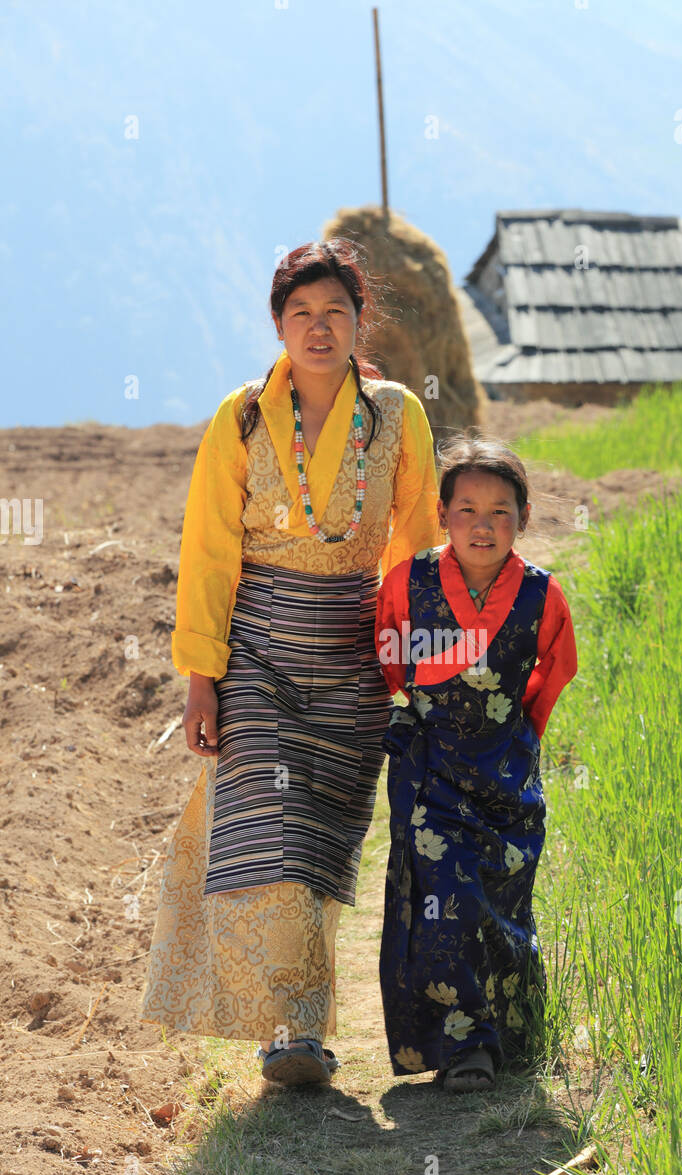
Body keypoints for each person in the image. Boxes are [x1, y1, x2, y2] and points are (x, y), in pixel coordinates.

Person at [139, 238, 442, 1087]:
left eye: (335, 312)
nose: (318, 328)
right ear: (278, 325)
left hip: (355, 658)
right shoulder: (239, 418)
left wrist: (418, 656)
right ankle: (292, 1033)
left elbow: (417, 547)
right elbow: (209, 552)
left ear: (358, 322)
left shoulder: (396, 416)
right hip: (260, 655)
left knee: (318, 846)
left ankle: (299, 1024)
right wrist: (203, 678)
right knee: (268, 837)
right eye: (301, 313)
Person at [375, 438, 577, 1092]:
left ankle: (516, 1036)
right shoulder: (409, 581)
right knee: (447, 896)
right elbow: (389, 659)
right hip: (432, 770)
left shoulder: (544, 597)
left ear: (523, 518)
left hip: (509, 775)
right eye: (466, 509)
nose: (482, 525)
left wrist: (514, 739)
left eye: (500, 510)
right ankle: (467, 1045)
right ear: (442, 515)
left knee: (503, 906)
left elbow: (553, 675)